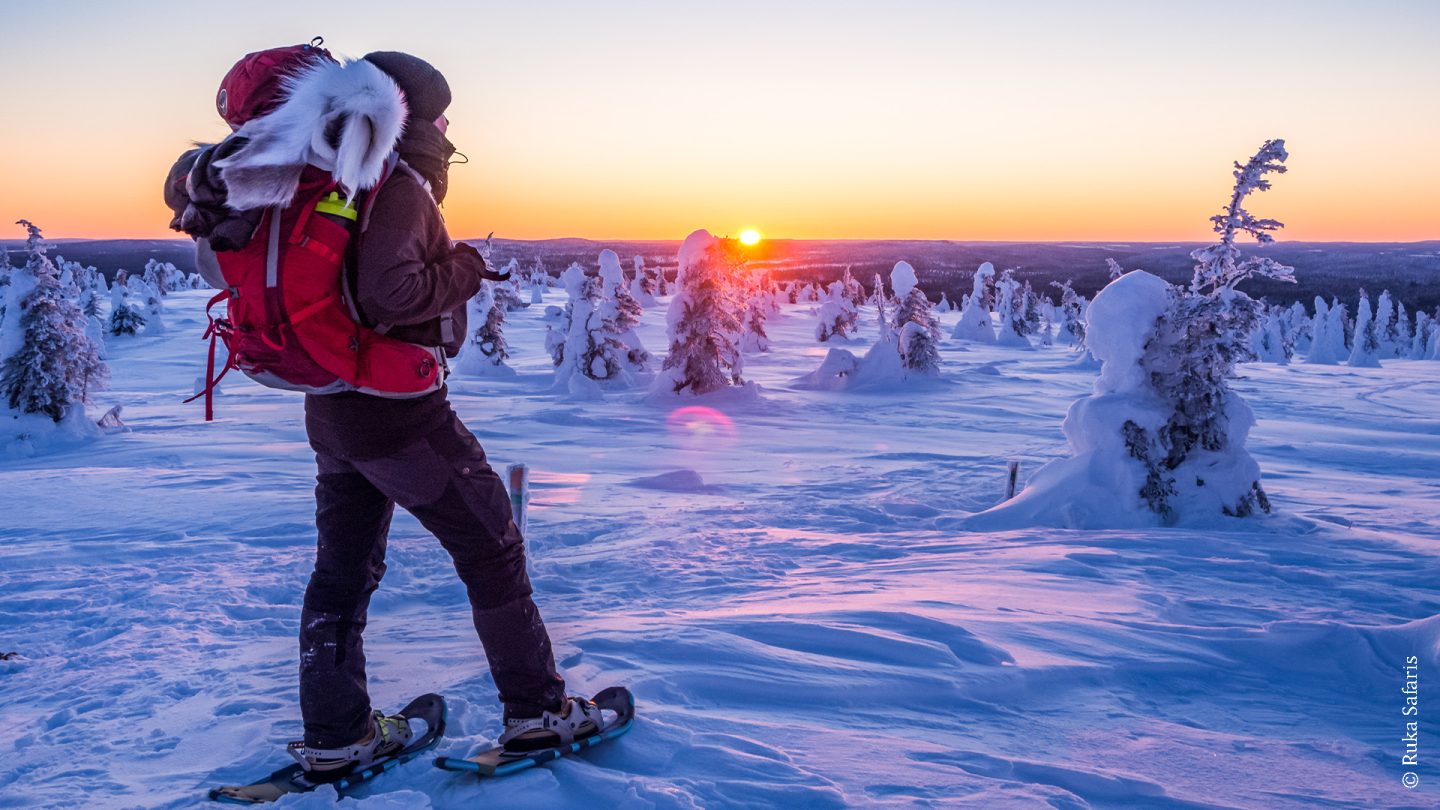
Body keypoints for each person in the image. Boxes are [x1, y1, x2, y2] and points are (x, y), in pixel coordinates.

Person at [165, 49, 601, 775]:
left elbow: (220, 267)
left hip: (331, 410)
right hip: (400, 415)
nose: (447, 129)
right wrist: (463, 268)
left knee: (341, 570)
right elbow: (394, 293)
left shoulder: (284, 179)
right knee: (491, 549)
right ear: (409, 114)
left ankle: (338, 736)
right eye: (439, 115)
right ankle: (537, 712)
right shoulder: (386, 181)